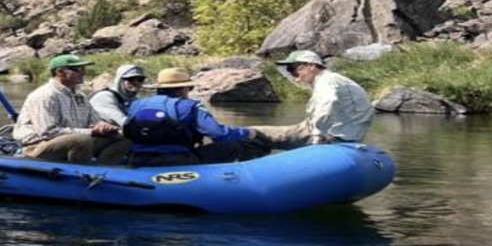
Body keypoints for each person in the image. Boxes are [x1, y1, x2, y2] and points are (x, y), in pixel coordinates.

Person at [123, 68, 260, 166]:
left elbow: (127, 131)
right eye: (189, 88)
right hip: (178, 160)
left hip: (136, 158)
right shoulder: (190, 106)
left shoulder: (136, 105)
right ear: (181, 89)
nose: (189, 92)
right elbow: (218, 134)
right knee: (235, 146)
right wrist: (247, 132)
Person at [246, 50, 374, 152]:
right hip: (343, 135)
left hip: (327, 136)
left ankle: (243, 170)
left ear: (311, 66)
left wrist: (317, 137)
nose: (294, 77)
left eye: (293, 70)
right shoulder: (333, 79)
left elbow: (328, 104)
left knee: (250, 134)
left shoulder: (326, 81)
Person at [13, 54, 130, 164]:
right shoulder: (45, 95)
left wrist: (104, 127)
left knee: (123, 139)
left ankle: (102, 170)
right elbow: (47, 132)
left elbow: (94, 121)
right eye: (78, 69)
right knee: (81, 140)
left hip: (75, 141)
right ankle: (80, 174)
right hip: (38, 146)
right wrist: (91, 132)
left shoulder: (80, 96)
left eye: (84, 69)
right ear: (60, 72)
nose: (83, 73)